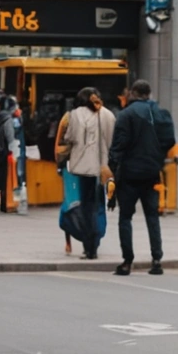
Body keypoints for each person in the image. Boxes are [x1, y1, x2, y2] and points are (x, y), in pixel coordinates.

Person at [108, 80, 175, 276]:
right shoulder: (162, 114)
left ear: (133, 93)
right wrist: (157, 155)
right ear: (149, 93)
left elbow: (118, 146)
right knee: (152, 217)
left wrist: (113, 168)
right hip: (152, 173)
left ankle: (127, 261)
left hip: (129, 173)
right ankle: (156, 259)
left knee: (125, 217)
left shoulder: (126, 115)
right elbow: (169, 140)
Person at [58, 87, 115, 259]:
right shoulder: (108, 115)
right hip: (103, 167)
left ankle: (89, 247)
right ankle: (95, 243)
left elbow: (69, 139)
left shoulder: (75, 115)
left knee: (86, 206)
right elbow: (113, 141)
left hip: (83, 168)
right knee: (98, 206)